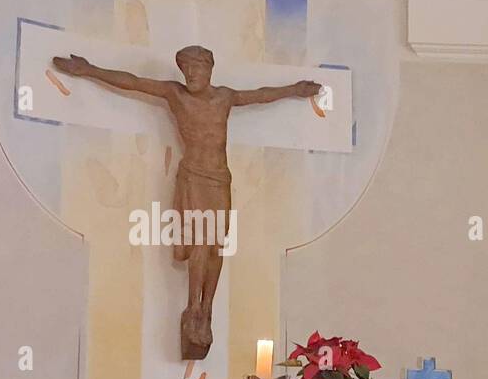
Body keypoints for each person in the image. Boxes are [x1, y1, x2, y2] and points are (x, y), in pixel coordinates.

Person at [52, 46, 319, 359]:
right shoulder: (174, 94)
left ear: (209, 70)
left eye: (198, 69)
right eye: (186, 70)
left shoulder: (225, 97)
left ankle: (207, 310)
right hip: (193, 175)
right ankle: (193, 307)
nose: (192, 75)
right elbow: (132, 81)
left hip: (219, 178)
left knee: (217, 244)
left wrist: (295, 90)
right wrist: (90, 70)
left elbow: (261, 94)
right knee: (199, 244)